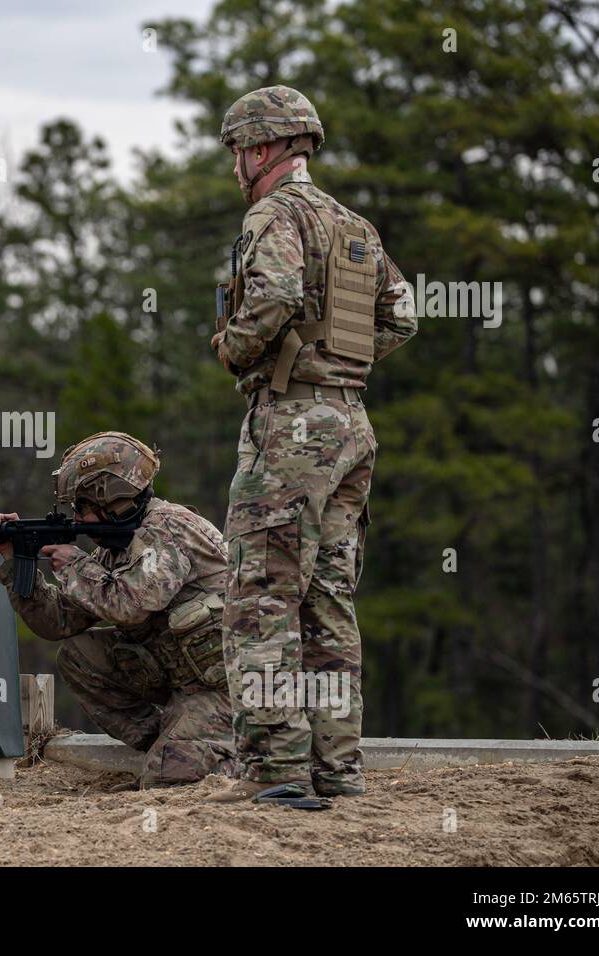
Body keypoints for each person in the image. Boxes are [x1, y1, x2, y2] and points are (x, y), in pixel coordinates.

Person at [209, 86, 418, 802]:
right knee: (328, 600)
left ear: (262, 149)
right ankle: (336, 769)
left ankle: (277, 773)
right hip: (350, 427)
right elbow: (403, 315)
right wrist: (341, 368)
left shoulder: (274, 215)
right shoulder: (353, 224)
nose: (236, 165)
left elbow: (270, 298)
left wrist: (236, 350)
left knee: (261, 594)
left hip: (292, 427)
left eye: (239, 150)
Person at [0, 431, 234, 789]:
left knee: (169, 778)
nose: (77, 519)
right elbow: (58, 622)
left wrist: (74, 566)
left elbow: (132, 604)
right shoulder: (114, 550)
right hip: (183, 688)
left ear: (110, 498)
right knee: (78, 655)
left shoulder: (169, 529)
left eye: (82, 507)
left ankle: (217, 751)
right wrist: (13, 558)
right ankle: (168, 741)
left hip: (225, 692)